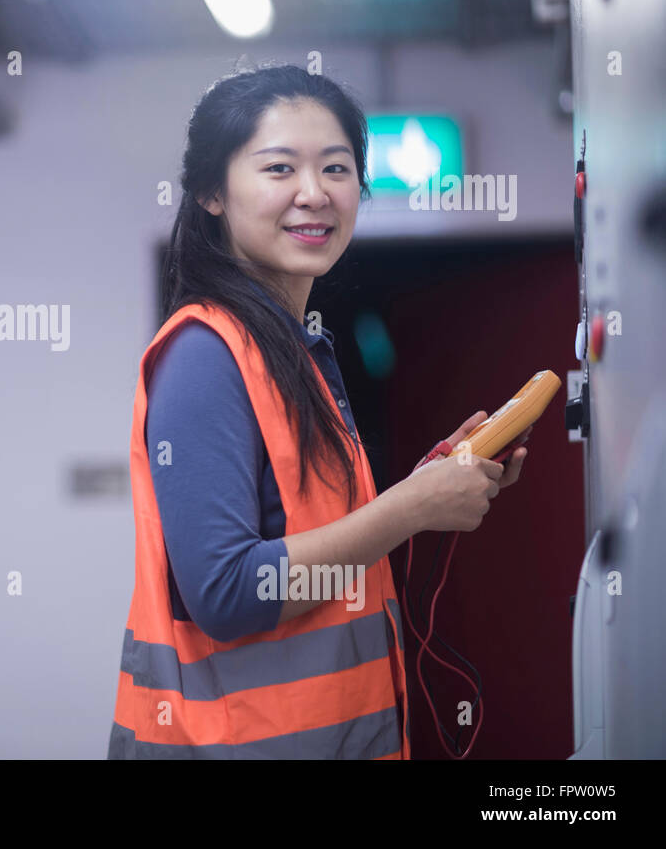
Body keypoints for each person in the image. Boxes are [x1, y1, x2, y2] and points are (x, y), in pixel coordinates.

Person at [108, 64, 528, 759]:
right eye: (279, 169)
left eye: (336, 168)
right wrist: (412, 508)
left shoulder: (293, 347)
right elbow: (229, 590)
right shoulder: (205, 354)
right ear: (212, 191)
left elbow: (311, 537)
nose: (315, 194)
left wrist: (431, 481)